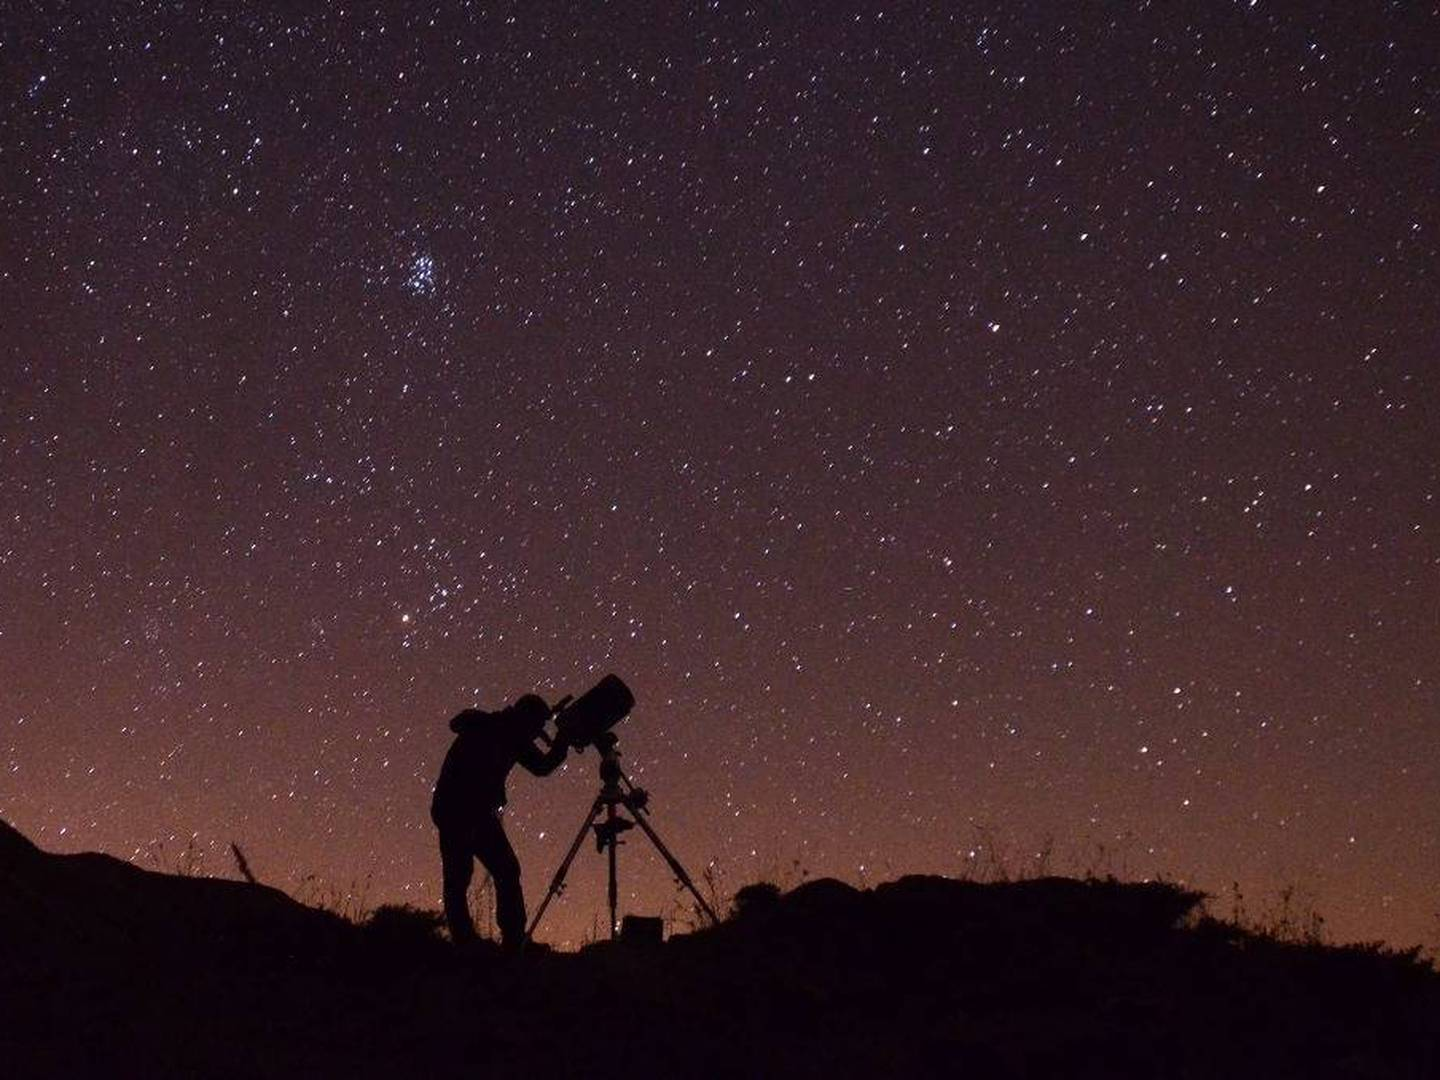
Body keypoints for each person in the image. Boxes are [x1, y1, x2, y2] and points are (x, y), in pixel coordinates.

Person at [430, 693, 567, 948]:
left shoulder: (505, 732)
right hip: (457, 810)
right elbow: (541, 765)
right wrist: (563, 740)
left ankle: (509, 940)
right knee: (461, 876)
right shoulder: (494, 730)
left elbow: (542, 766)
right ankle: (468, 942)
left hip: (473, 812)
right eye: (537, 726)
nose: (537, 732)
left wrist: (562, 741)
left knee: (502, 871)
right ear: (526, 719)